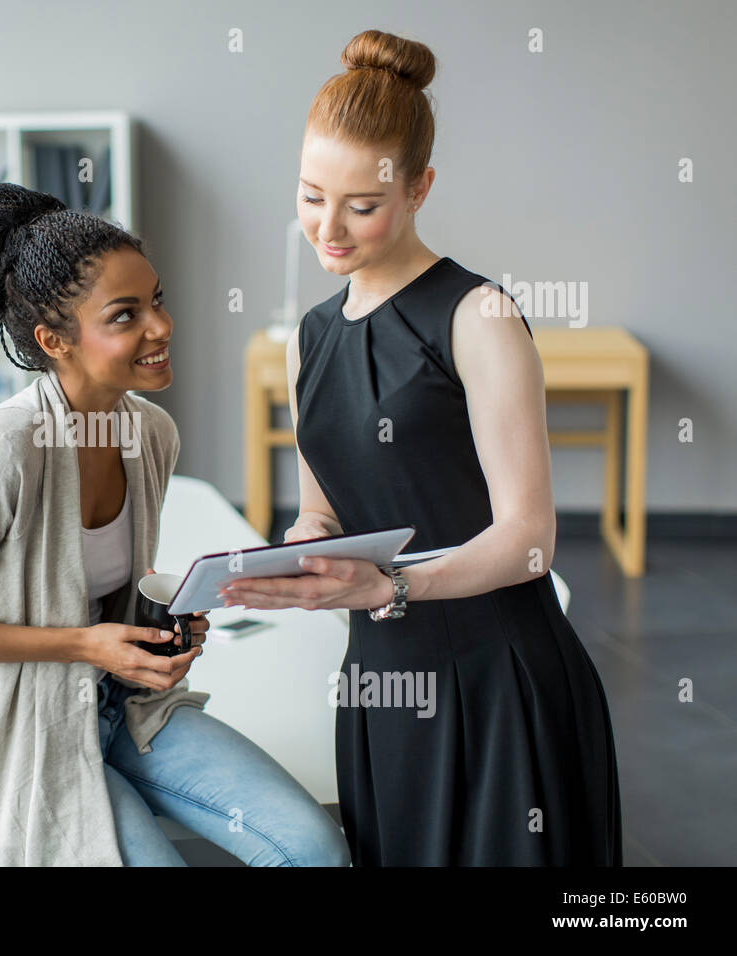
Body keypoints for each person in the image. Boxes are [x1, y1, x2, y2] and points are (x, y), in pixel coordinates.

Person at [219, 30, 622, 865]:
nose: (327, 228)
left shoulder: (478, 316)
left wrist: (391, 585)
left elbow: (531, 538)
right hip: (380, 684)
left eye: (361, 206)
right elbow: (325, 502)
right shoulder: (311, 337)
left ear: (419, 188)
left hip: (499, 681)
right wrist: (307, 549)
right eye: (309, 196)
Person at [0, 183, 349, 867]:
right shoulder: (4, 451)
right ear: (53, 341)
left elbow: (102, 593)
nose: (160, 326)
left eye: (156, 300)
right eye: (125, 316)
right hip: (18, 726)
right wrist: (86, 645)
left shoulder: (149, 432)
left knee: (315, 850)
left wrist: (160, 630)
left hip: (119, 706)